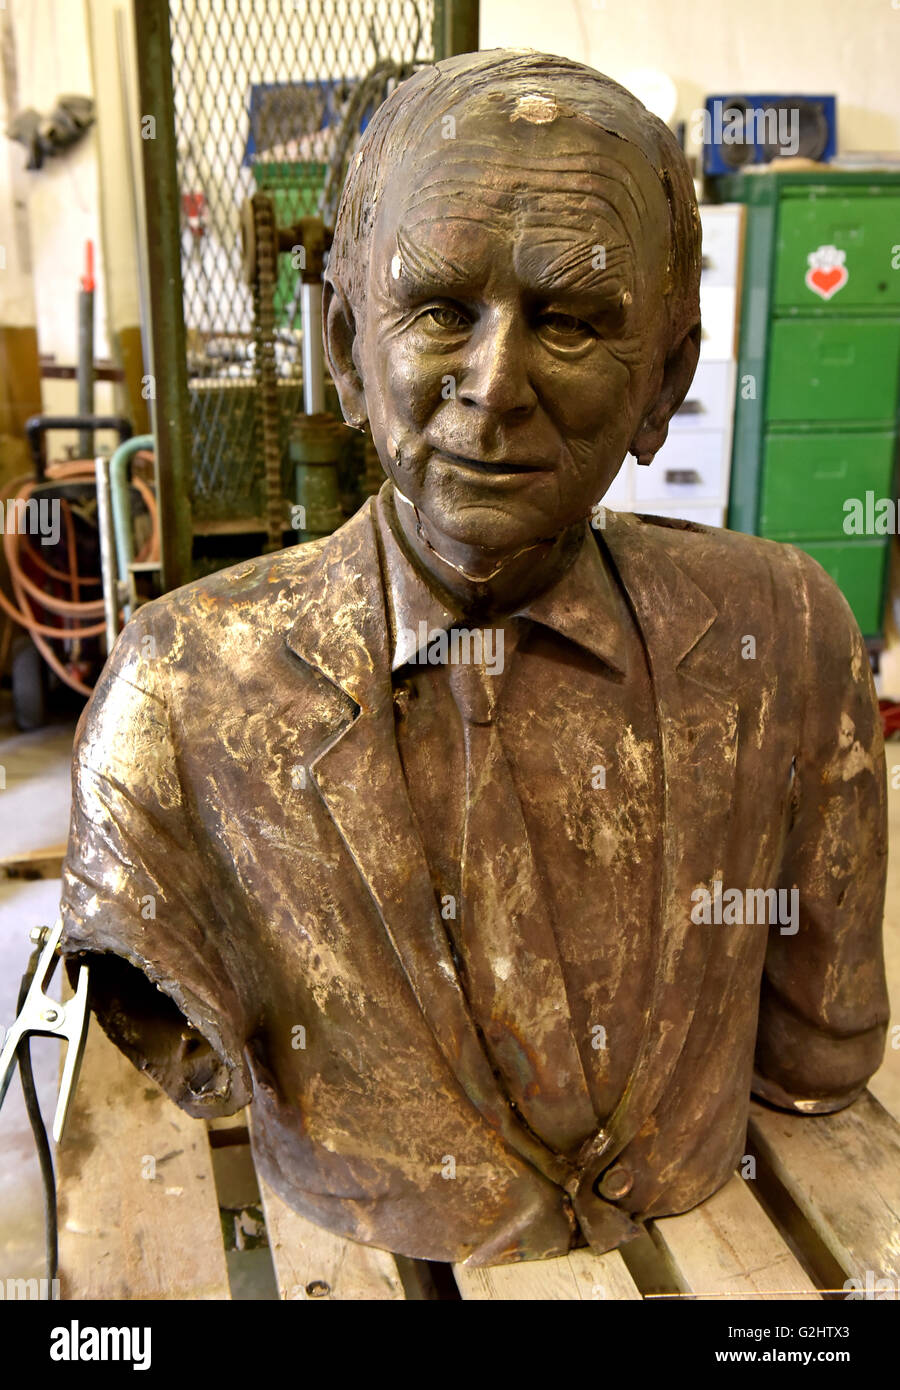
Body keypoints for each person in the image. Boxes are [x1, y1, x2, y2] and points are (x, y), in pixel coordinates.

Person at [59, 50, 888, 1267]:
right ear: (346, 345)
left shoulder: (786, 636)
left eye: (569, 321)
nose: (495, 386)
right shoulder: (179, 692)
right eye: (443, 309)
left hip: (698, 1205)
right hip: (359, 1224)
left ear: (663, 378)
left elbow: (827, 1046)